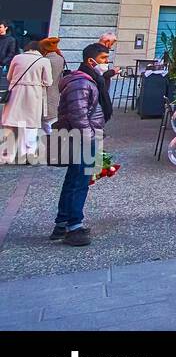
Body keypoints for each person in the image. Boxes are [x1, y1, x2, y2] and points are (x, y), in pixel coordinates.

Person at [50, 43, 110, 245]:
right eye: (103, 59)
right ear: (90, 61)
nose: (106, 63)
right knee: (79, 182)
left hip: (83, 136)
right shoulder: (81, 83)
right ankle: (73, 226)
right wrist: (90, 138)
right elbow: (78, 115)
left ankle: (63, 222)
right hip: (83, 138)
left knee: (74, 179)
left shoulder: (88, 80)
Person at [1, 40, 53, 164]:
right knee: (30, 124)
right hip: (33, 95)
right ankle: (28, 154)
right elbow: (48, 81)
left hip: (15, 93)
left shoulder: (17, 58)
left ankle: (7, 155)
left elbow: (9, 77)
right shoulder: (44, 61)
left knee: (11, 123)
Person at [37, 37, 66, 140]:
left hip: (44, 93)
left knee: (45, 120)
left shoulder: (44, 60)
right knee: (51, 120)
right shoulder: (60, 58)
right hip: (55, 92)